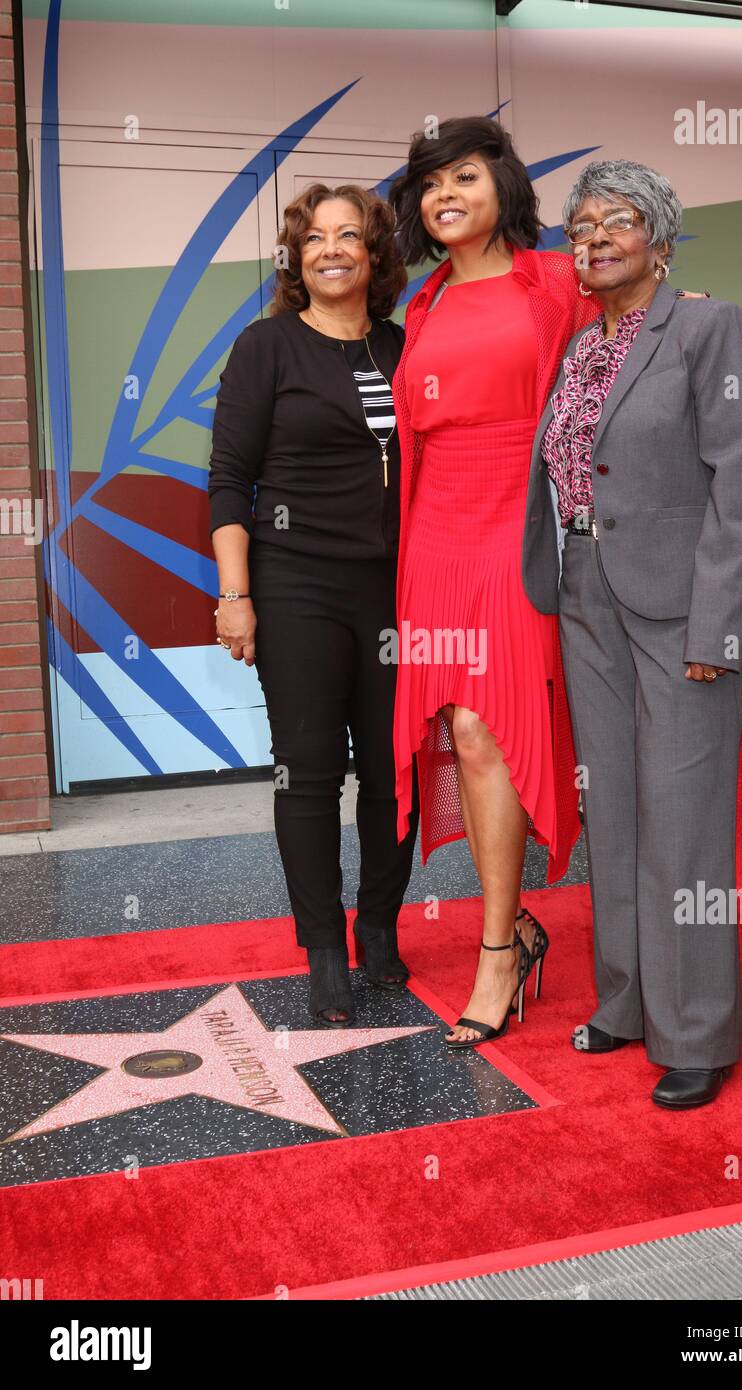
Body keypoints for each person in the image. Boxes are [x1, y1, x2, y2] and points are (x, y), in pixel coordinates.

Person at [522, 159, 742, 1108]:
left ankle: (698, 1030)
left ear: (661, 239)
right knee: (619, 811)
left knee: (683, 821)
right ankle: (629, 1002)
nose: (593, 236)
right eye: (581, 224)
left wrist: (718, 627)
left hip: (683, 604)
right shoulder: (579, 348)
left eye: (618, 220)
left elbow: (740, 483)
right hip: (585, 587)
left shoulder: (707, 326)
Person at [389, 116, 602, 1048]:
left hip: (522, 525)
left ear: (502, 187)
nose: (447, 194)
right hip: (435, 529)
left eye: (465, 176)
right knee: (462, 732)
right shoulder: (423, 305)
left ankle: (495, 951)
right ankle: (509, 926)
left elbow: (611, 380)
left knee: (491, 729)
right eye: (432, 182)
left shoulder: (555, 280)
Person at [208, 183, 419, 1028]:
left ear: (375, 254)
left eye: (350, 235)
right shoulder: (268, 347)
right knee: (308, 770)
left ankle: (378, 926)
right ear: (296, 258)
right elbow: (229, 479)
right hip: (294, 579)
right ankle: (324, 949)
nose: (332, 250)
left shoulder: (407, 347)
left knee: (392, 770)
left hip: (398, 588)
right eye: (314, 238)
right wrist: (236, 595)